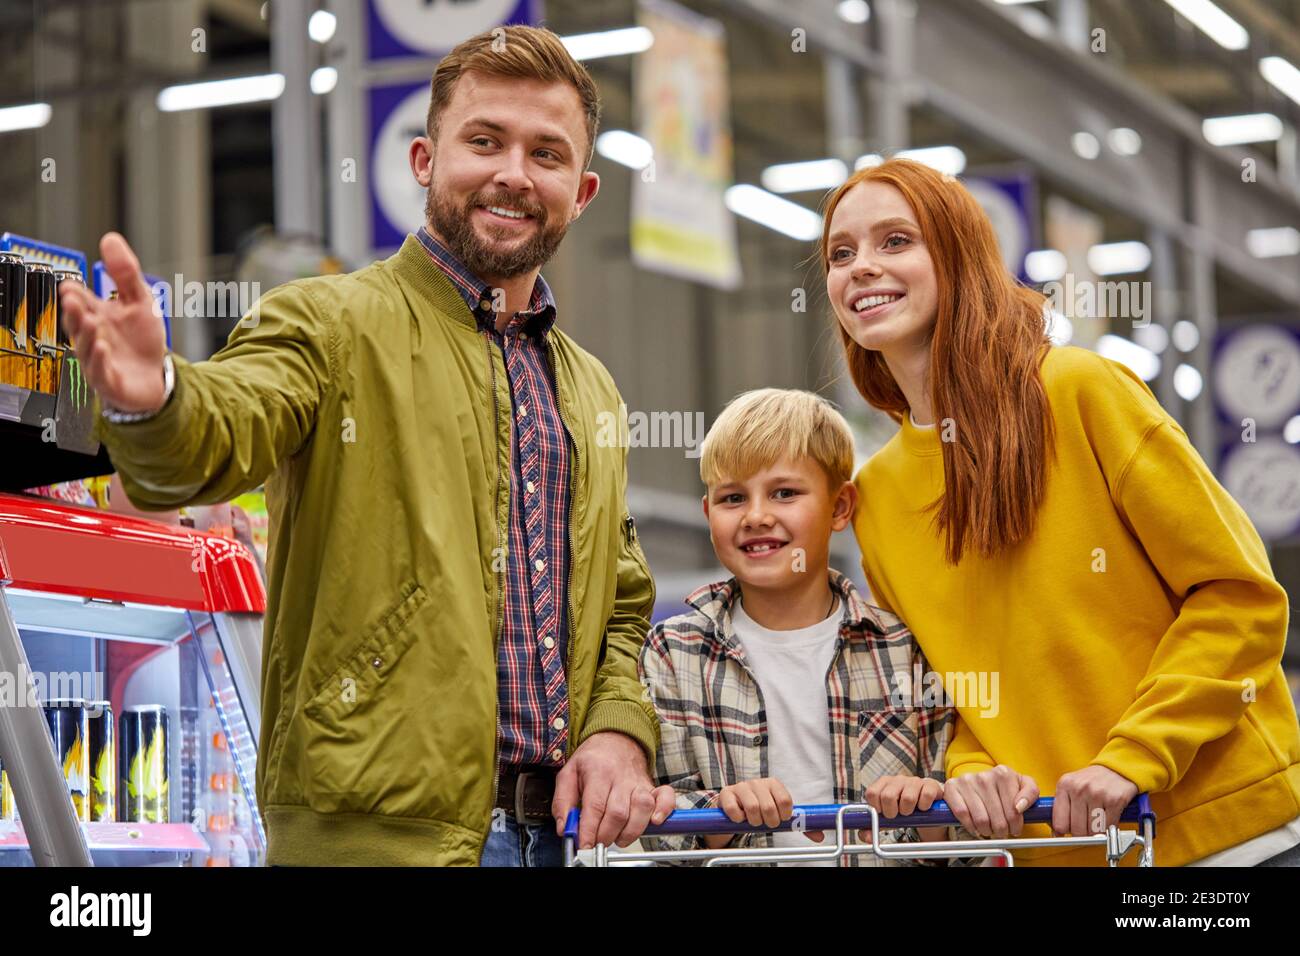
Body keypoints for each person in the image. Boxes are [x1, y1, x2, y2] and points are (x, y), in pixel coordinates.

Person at [57, 25, 675, 866]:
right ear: (424, 161)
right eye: (484, 141)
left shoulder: (590, 387)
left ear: (583, 190)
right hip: (374, 844)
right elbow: (217, 435)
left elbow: (625, 606)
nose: (513, 174)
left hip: (558, 842)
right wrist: (156, 399)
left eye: (547, 153)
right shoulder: (327, 323)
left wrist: (618, 732)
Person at [823, 157, 1300, 866]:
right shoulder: (880, 495)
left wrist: (1134, 756)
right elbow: (953, 695)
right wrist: (972, 770)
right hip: (1057, 851)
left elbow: (1238, 599)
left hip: (1227, 838)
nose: (861, 266)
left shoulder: (1081, 390)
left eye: (896, 241)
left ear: (957, 259)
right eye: (841, 253)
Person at [639, 388, 954, 866]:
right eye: (732, 498)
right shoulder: (672, 651)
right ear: (708, 516)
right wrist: (722, 814)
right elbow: (659, 828)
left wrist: (924, 805)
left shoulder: (902, 646)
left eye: (785, 493)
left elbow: (958, 838)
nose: (757, 516)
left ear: (840, 507)